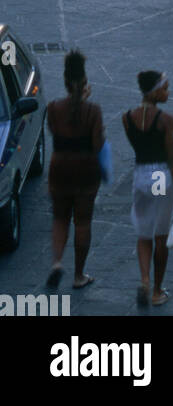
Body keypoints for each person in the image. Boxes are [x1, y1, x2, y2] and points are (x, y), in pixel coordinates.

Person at [122, 71, 173, 307]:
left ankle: (144, 279)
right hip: (160, 175)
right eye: (165, 88)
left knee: (143, 234)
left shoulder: (127, 118)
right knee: (161, 236)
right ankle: (157, 291)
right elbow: (172, 158)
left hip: (140, 175)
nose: (168, 92)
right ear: (155, 91)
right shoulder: (164, 120)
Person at [45, 50, 104, 291]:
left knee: (60, 218)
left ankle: (57, 263)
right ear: (85, 83)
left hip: (59, 168)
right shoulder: (93, 111)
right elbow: (98, 144)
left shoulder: (53, 108)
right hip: (85, 170)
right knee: (82, 222)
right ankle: (79, 275)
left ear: (65, 82)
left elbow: (53, 131)